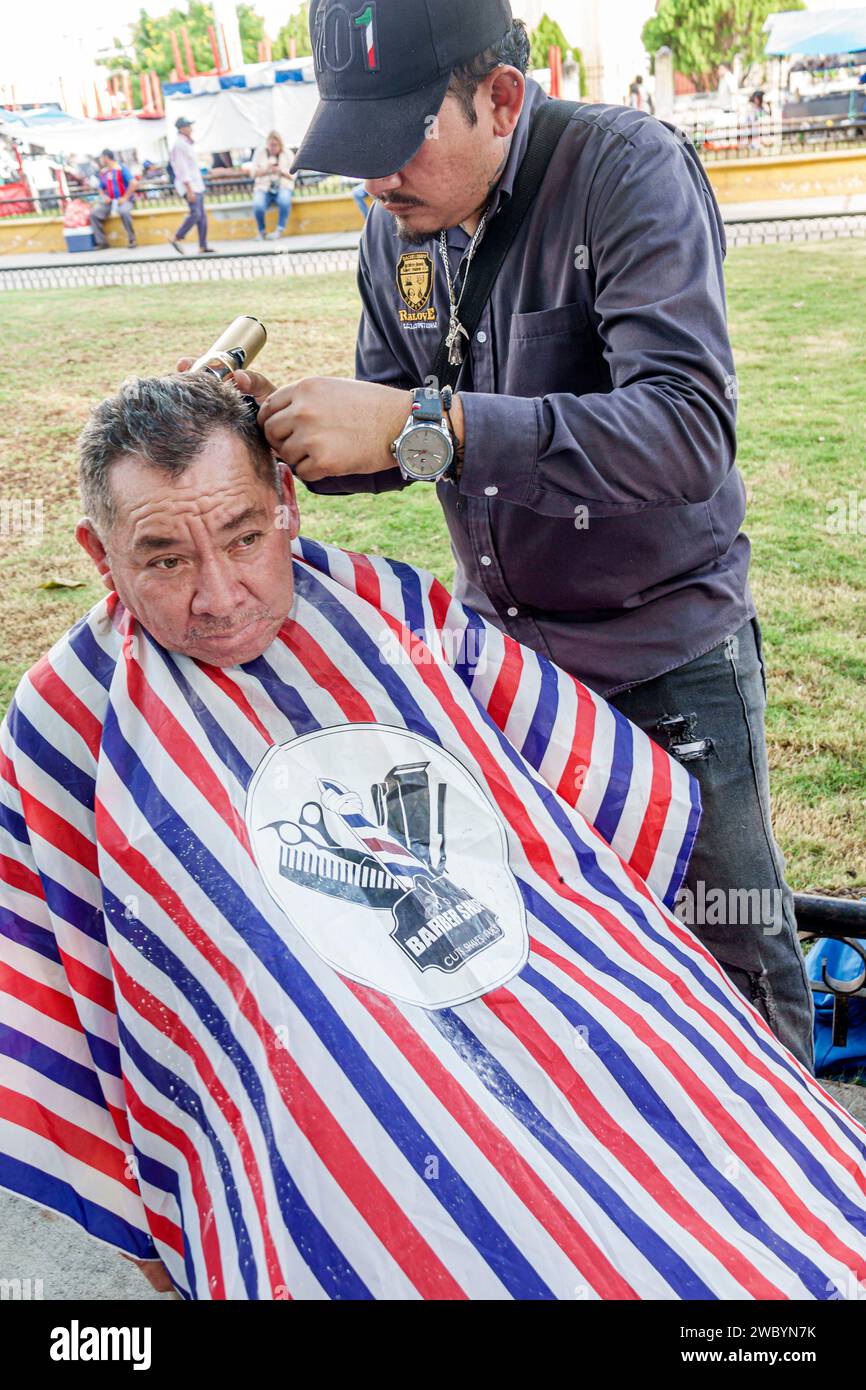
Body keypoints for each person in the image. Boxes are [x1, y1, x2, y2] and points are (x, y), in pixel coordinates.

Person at [2, 369, 865, 1299]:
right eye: (164, 559)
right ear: (98, 554)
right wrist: (161, 1228)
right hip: (325, 1093)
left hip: (533, 984)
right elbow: (73, 994)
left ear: (287, 505)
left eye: (247, 537)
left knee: (728, 1178)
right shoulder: (65, 719)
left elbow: (587, 796)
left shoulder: (383, 612)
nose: (220, 596)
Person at [238, 0, 815, 1068]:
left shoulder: (625, 172)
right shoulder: (398, 223)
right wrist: (287, 438)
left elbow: (683, 433)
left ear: (500, 97)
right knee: (555, 939)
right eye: (353, 152)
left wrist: (425, 424)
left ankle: (801, 1209)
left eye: (395, 142)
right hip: (500, 667)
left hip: (662, 656)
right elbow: (406, 431)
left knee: (732, 952)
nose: (373, 184)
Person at [169, 116, 214, 255]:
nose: (191, 129)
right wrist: (189, 190)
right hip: (190, 186)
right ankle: (176, 237)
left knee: (202, 216)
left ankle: (203, 245)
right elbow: (182, 169)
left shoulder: (186, 144)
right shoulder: (179, 145)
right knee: (196, 214)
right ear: (182, 129)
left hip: (196, 185)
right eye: (188, 126)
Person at [92, 149, 139, 250]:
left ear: (106, 157)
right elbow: (100, 188)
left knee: (124, 212)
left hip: (124, 200)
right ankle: (102, 242)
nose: (101, 160)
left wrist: (125, 197)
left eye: (102, 158)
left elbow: (134, 183)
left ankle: (132, 239)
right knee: (94, 214)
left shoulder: (121, 168)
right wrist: (104, 196)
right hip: (110, 202)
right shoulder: (104, 172)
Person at [251, 130, 295, 239]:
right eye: (270, 145)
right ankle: (262, 232)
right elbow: (252, 173)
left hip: (283, 186)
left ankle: (279, 230)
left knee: (284, 201)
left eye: (275, 145)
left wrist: (281, 171)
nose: (272, 148)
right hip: (263, 187)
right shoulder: (260, 153)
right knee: (258, 205)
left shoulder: (288, 154)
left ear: (280, 144)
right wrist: (267, 170)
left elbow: (293, 176)